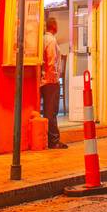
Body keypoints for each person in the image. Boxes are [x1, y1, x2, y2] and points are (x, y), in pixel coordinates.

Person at [41, 17, 69, 150]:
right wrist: (54, 78)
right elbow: (51, 61)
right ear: (54, 26)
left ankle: (47, 138)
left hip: (43, 80)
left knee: (47, 111)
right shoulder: (51, 40)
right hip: (50, 81)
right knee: (51, 112)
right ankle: (54, 140)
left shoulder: (42, 39)